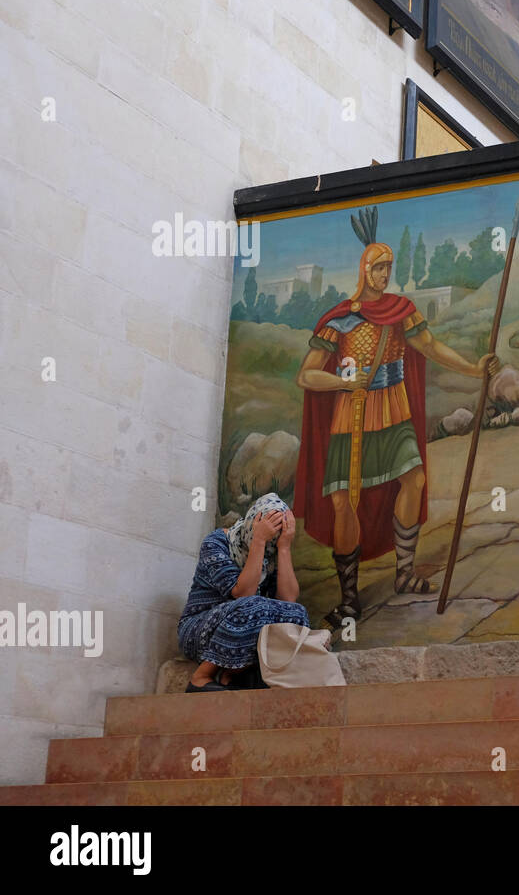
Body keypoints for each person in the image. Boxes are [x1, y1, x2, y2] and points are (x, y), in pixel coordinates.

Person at [294, 209, 499, 628]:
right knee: (343, 504)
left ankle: (404, 572)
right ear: (364, 270)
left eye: (389, 267)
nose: (384, 274)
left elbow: (431, 347)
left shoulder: (401, 310)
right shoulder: (340, 318)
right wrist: (344, 384)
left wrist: (474, 369)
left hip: (395, 410)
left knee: (414, 480)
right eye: (378, 267)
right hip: (349, 418)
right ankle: (349, 597)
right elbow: (307, 374)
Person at [178, 494, 311, 693]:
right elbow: (243, 593)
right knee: (251, 605)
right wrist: (258, 540)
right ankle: (201, 677)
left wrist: (283, 548)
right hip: (198, 630)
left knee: (297, 614)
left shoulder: (271, 555)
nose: (269, 547)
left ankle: (231, 674)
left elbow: (288, 599)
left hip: (246, 631)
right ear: (252, 523)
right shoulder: (216, 543)